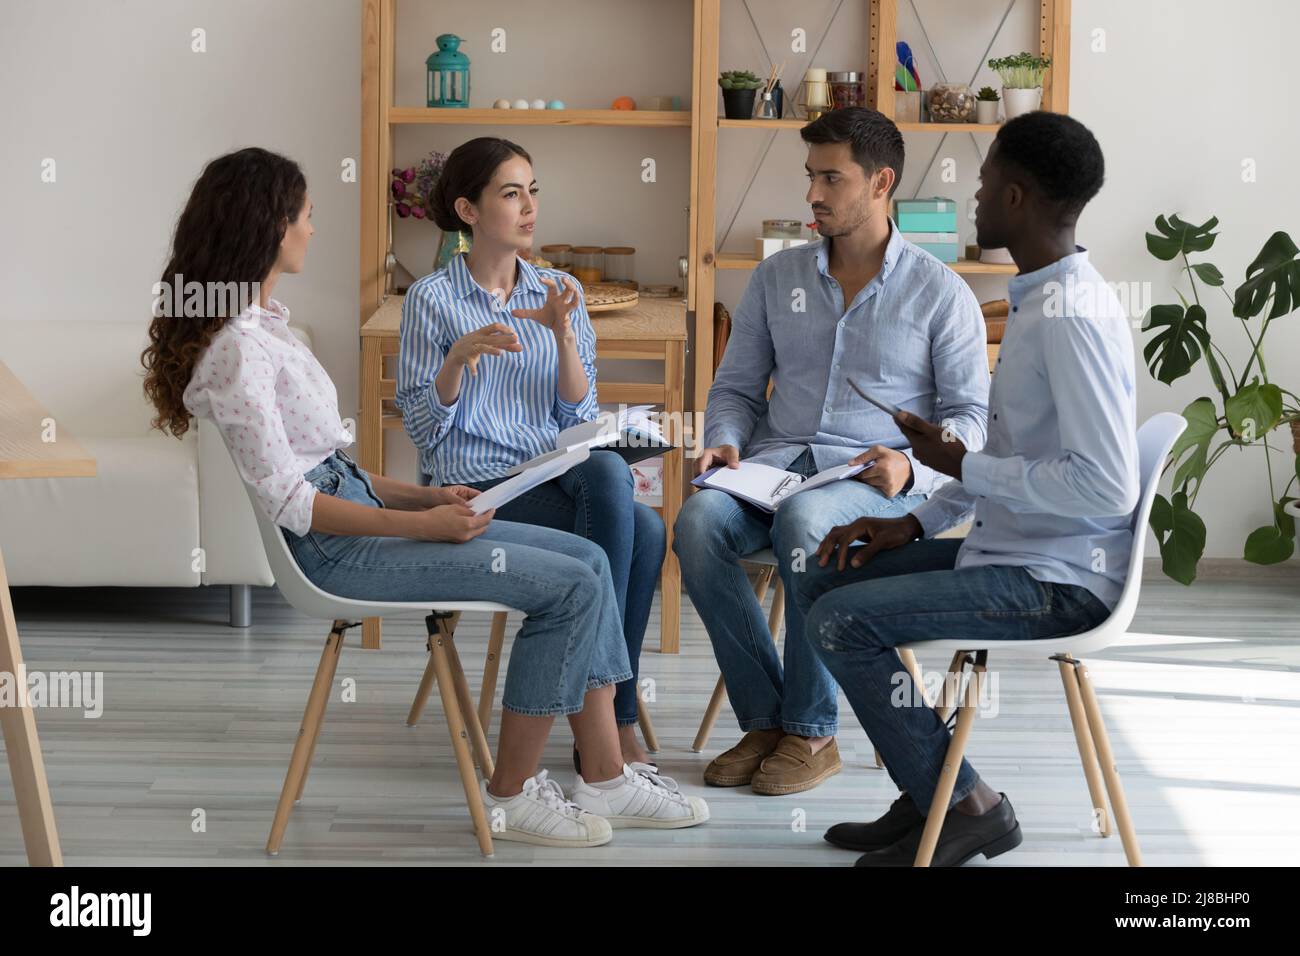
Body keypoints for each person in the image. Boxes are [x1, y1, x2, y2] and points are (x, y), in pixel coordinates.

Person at [141, 147, 707, 848]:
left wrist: (421, 500)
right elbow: (296, 501)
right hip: (336, 551)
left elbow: (334, 466)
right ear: (267, 226)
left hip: (361, 518)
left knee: (591, 563)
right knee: (569, 584)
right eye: (306, 216)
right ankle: (515, 792)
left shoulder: (264, 329)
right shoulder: (237, 351)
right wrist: (430, 524)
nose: (314, 228)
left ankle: (604, 776)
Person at [794, 111, 1136, 866]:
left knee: (843, 623)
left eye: (982, 185)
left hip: (1057, 580)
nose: (973, 200)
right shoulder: (1042, 296)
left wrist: (961, 468)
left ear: (1014, 197)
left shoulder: (1070, 318)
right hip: (1013, 549)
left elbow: (1107, 485)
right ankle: (931, 794)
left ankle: (968, 805)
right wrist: (913, 524)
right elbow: (1011, 458)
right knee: (825, 579)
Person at [673, 107, 989, 795]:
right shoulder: (774, 278)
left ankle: (813, 732)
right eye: (810, 176)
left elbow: (972, 421)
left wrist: (911, 465)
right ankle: (764, 721)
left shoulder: (941, 293)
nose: (813, 194)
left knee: (805, 523)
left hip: (871, 483)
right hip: (774, 465)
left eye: (831, 178)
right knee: (695, 524)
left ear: (881, 183)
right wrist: (724, 440)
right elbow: (735, 389)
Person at [396, 137, 665, 771]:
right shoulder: (431, 300)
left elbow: (578, 415)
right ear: (468, 209)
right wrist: (456, 361)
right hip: (478, 489)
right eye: (510, 193)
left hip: (555, 473)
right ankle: (608, 727)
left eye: (533, 191)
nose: (528, 207)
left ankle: (601, 719)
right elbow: (422, 432)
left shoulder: (559, 289)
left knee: (612, 480)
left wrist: (565, 335)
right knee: (644, 530)